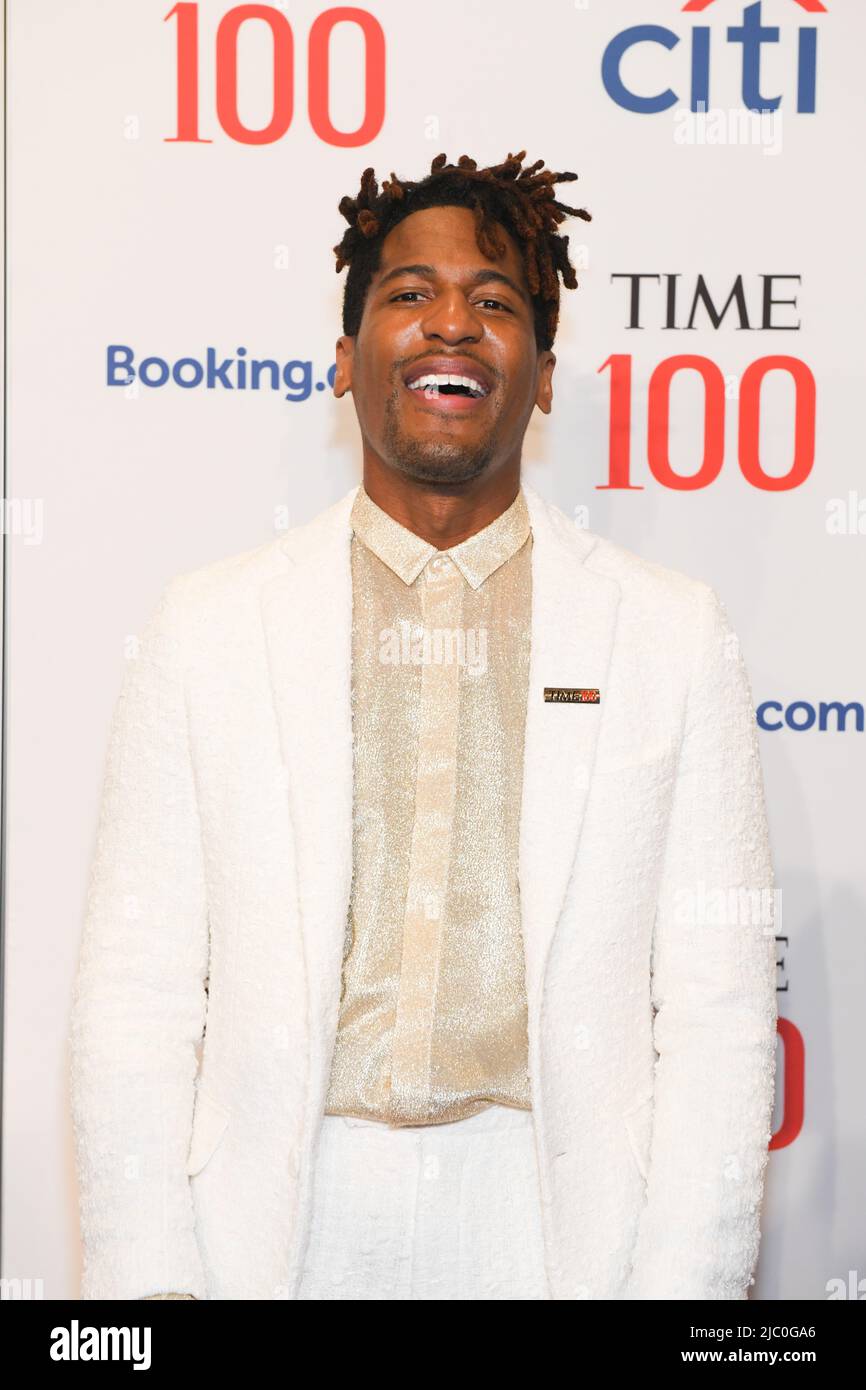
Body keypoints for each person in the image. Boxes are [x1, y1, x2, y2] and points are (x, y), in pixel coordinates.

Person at [69, 151, 778, 1301]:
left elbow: (718, 1013)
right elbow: (136, 993)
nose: (451, 322)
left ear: (542, 377)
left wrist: (683, 1294)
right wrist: (150, 1288)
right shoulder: (207, 627)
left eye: (494, 302)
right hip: (272, 1230)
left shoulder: (669, 634)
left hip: (558, 1235)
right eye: (409, 293)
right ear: (344, 355)